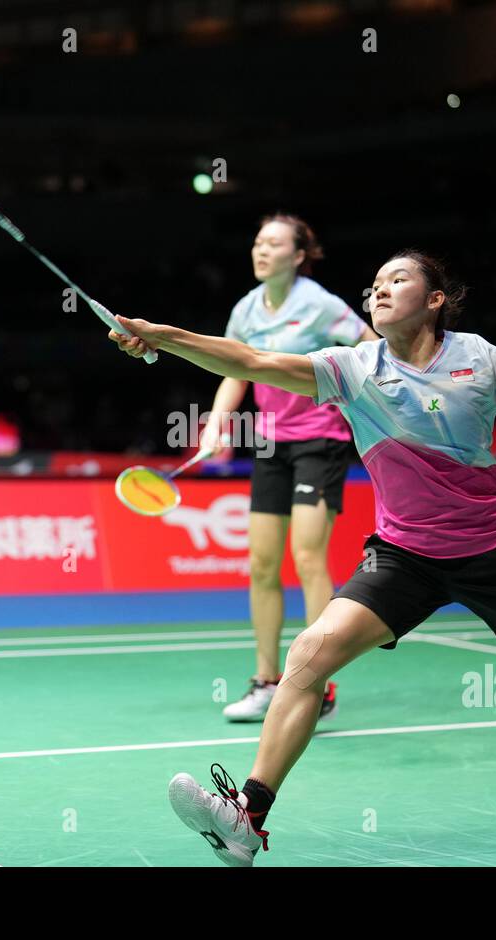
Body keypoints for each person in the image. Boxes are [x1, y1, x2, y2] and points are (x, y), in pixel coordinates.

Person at [109, 250, 496, 866]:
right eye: (375, 284)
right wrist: (161, 336)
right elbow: (249, 359)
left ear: (435, 299)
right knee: (309, 655)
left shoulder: (480, 360)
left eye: (397, 281)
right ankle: (248, 818)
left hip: (493, 551)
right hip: (404, 554)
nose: (379, 290)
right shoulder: (353, 367)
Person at [200, 214, 378, 723]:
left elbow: (369, 348)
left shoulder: (319, 304)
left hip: (320, 443)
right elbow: (233, 367)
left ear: (299, 255)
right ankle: (265, 680)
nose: (261, 250)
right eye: (257, 242)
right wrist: (217, 422)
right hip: (271, 445)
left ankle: (315, 682)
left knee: (307, 556)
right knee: (260, 564)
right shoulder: (246, 309)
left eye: (273, 243)